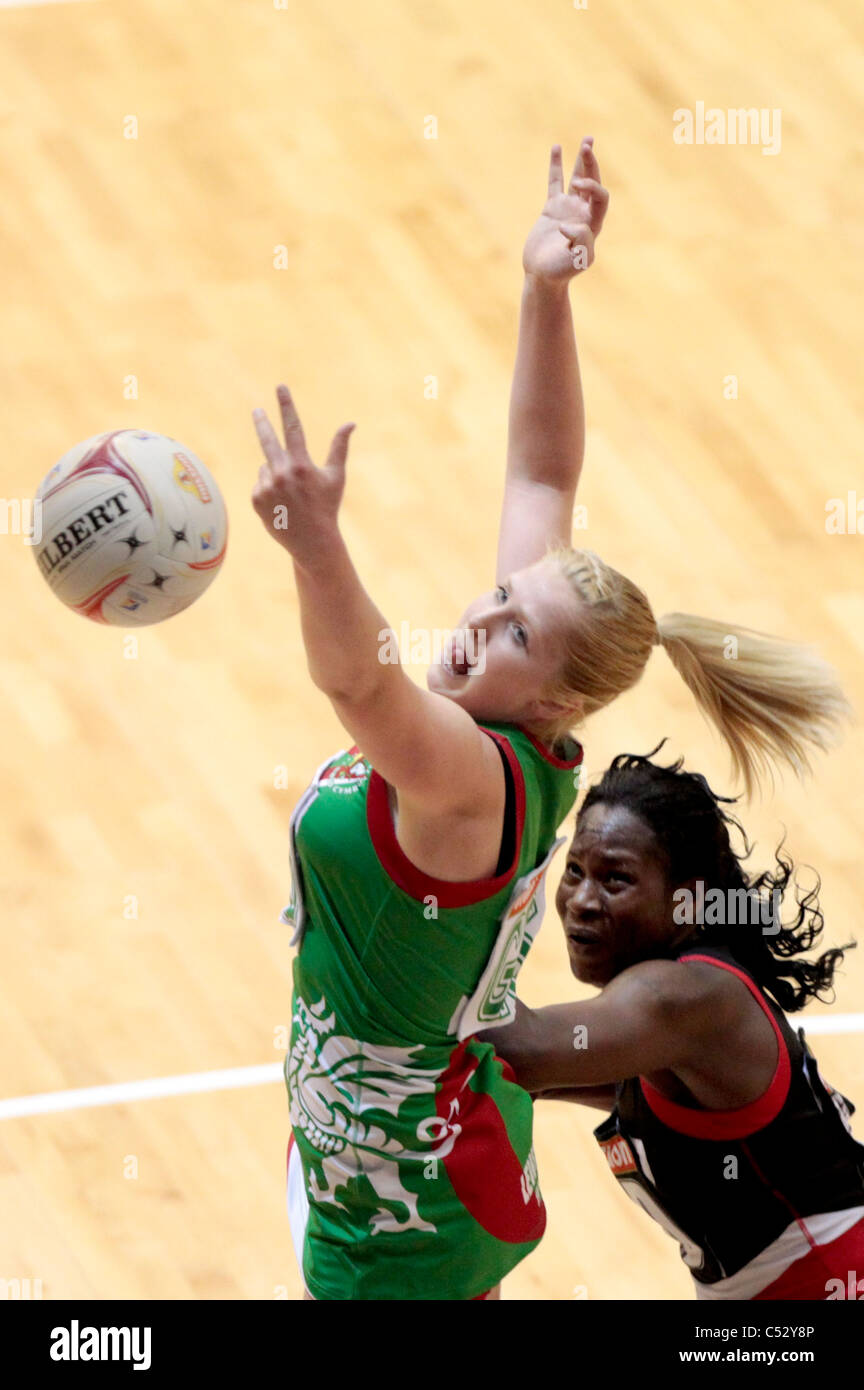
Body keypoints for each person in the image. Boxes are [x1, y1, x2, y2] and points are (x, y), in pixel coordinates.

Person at [250, 139, 848, 1300]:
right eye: (498, 598)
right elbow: (538, 475)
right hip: (373, 1133)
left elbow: (360, 685)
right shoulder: (516, 716)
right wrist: (545, 288)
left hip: (406, 1189)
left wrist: (320, 554)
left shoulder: (469, 776)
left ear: (559, 698)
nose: (480, 615)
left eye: (514, 627)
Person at [484, 749, 864, 1300]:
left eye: (615, 879)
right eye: (574, 872)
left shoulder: (681, 998)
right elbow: (520, 1072)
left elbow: (523, 1050)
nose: (582, 901)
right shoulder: (666, 1032)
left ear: (687, 899)